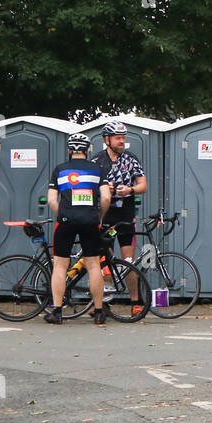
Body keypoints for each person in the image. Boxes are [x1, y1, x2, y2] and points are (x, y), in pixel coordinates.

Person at [45, 132, 112, 325]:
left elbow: (51, 200)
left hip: (66, 221)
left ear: (69, 150)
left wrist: (63, 214)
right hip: (90, 221)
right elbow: (106, 198)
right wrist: (98, 217)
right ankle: (99, 311)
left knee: (59, 265)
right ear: (87, 150)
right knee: (93, 265)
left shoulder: (60, 170)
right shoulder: (97, 169)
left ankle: (56, 312)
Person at [93, 120, 148, 316]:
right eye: (118, 138)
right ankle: (103, 304)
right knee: (104, 261)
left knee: (129, 260)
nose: (121, 141)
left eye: (123, 138)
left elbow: (143, 185)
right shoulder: (96, 161)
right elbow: (90, 188)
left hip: (125, 214)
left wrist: (130, 189)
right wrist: (102, 191)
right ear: (107, 140)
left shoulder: (131, 159)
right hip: (105, 215)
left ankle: (135, 302)